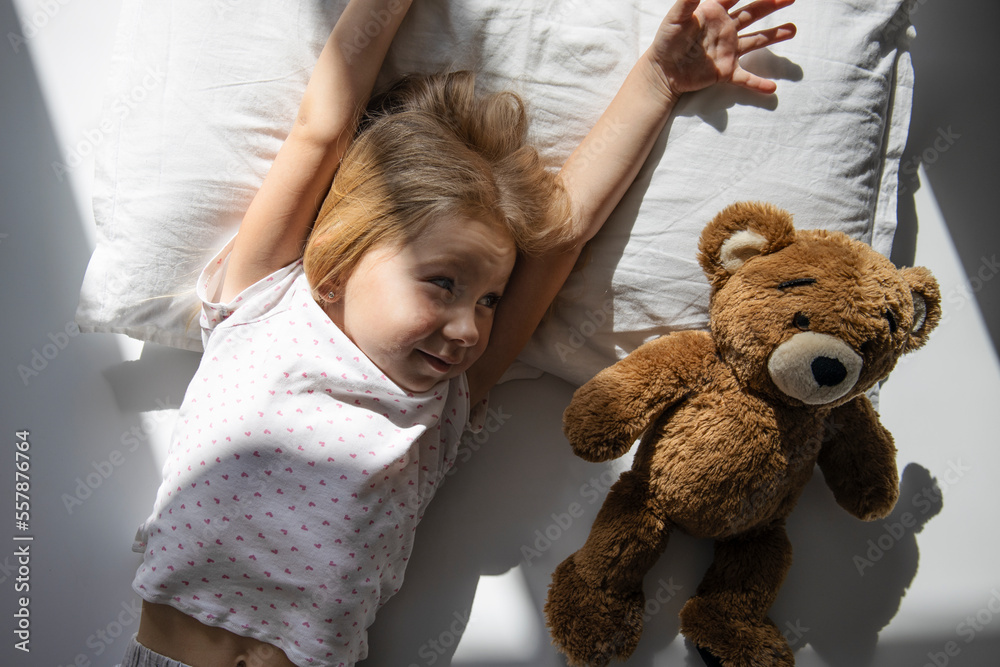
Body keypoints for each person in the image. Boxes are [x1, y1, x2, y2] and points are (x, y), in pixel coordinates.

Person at [123, 0, 796, 665]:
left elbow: (563, 235)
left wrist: (660, 79)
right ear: (337, 259)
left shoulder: (444, 402)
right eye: (442, 283)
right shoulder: (263, 305)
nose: (469, 328)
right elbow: (319, 130)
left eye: (489, 301)